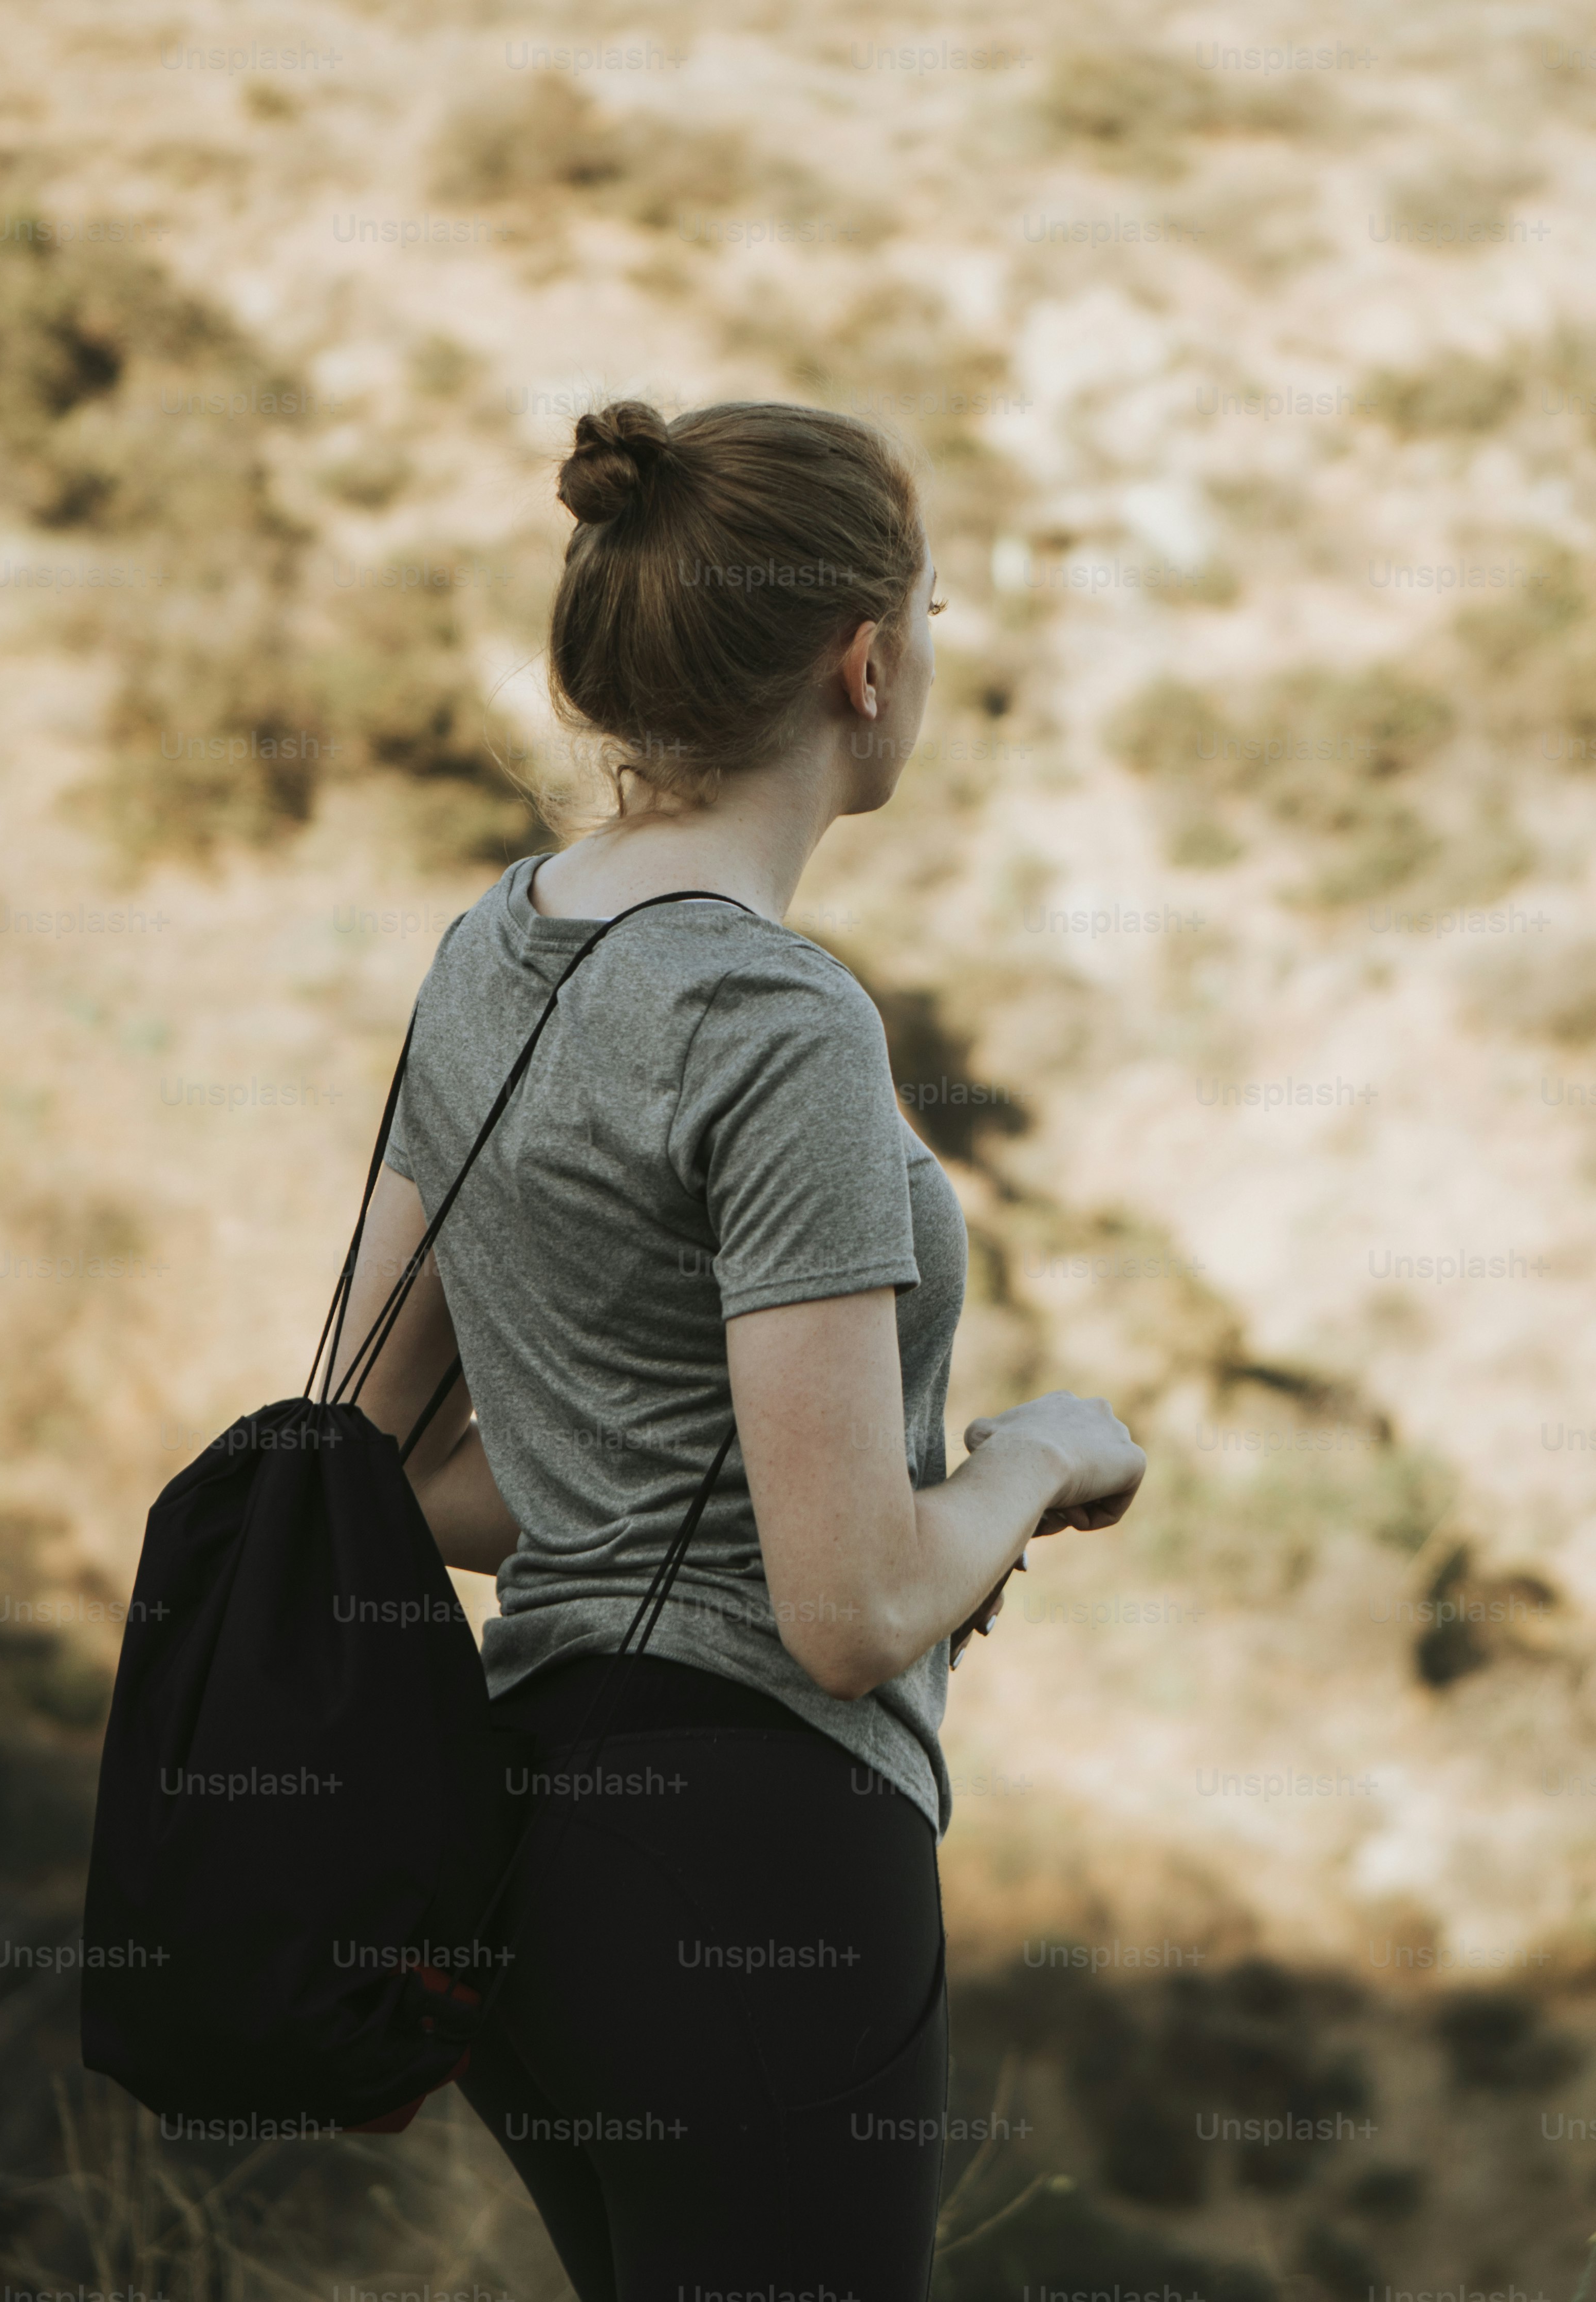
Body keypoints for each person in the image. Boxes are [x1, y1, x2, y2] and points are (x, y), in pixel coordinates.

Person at [328, 399, 1146, 2296]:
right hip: (757, 1859)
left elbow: (368, 1448)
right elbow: (851, 1612)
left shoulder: (491, 953)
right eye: (928, 613)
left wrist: (638, 1506)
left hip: (528, 1857)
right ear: (868, 663)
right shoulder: (782, 1026)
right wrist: (1040, 1459)